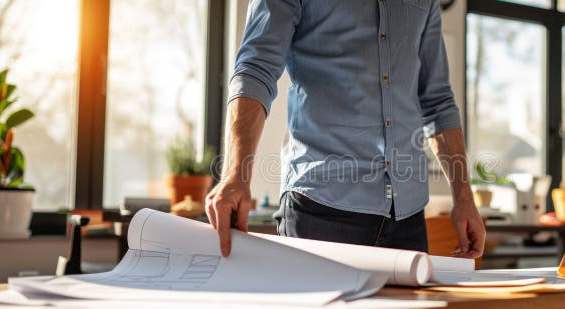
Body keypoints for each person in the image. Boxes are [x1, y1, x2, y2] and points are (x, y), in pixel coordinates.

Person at [205, 0, 485, 259]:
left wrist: (463, 197)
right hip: (321, 212)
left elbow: (437, 100)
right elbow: (255, 70)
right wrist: (235, 173)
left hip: (407, 219)